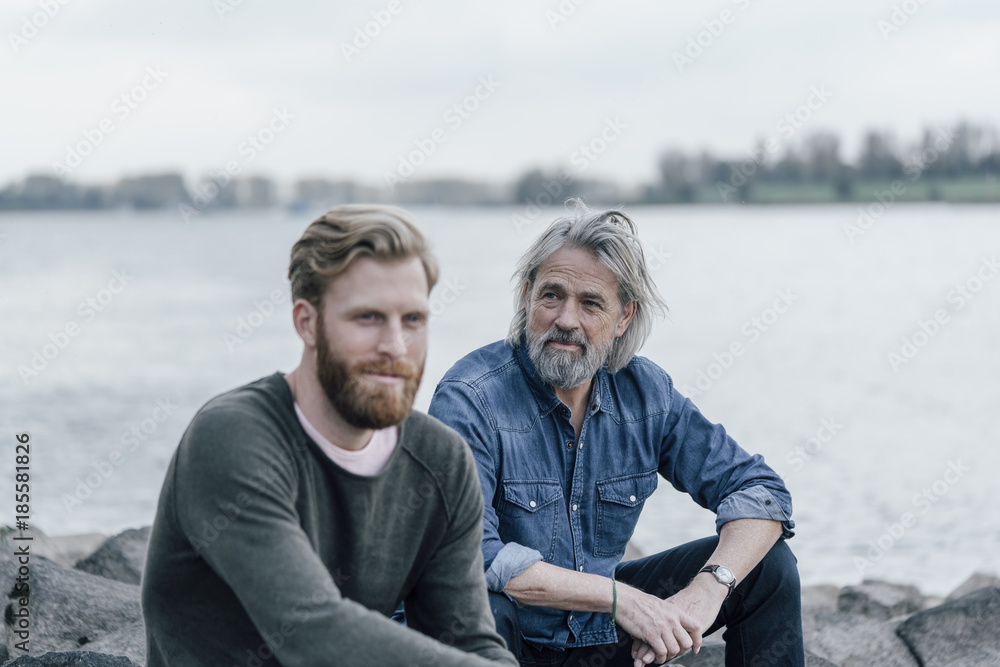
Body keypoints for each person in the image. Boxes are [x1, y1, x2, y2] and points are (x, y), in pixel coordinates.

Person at [427, 203, 803, 667]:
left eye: (590, 303)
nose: (567, 319)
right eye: (551, 296)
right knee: (481, 605)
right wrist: (622, 599)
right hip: (508, 642)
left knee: (768, 567)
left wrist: (707, 590)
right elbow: (472, 555)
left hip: (599, 639)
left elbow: (761, 491)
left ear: (624, 316)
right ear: (527, 297)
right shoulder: (470, 398)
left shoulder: (647, 394)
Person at [141, 205, 517, 667]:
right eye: (368, 317)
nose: (395, 346)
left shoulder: (441, 461)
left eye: (413, 320)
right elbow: (311, 630)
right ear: (307, 322)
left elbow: (469, 642)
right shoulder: (231, 438)